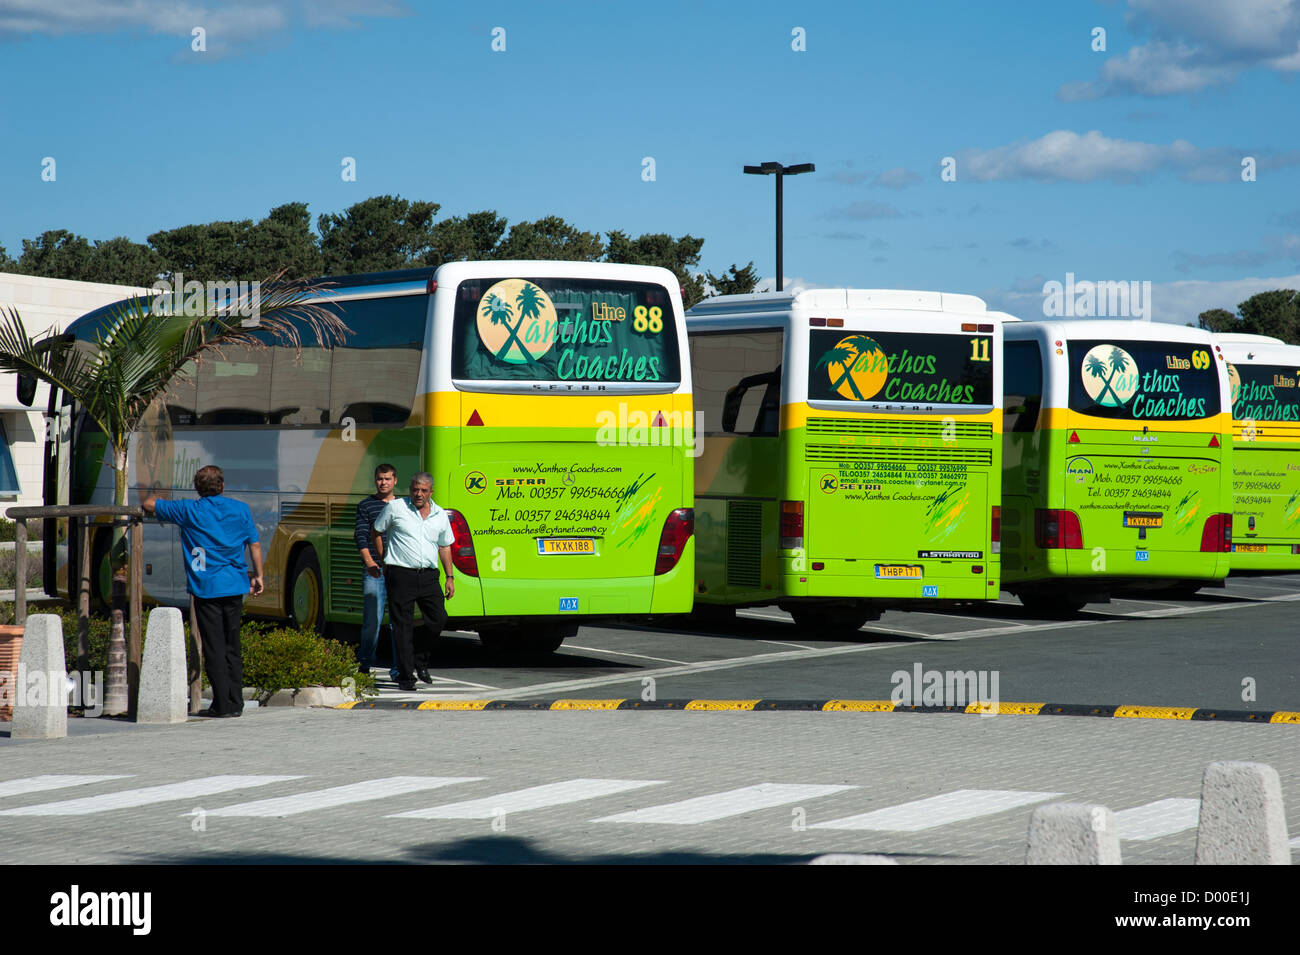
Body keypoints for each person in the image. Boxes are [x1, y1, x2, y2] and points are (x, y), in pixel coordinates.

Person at [142, 465, 262, 718]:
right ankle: (236, 701)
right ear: (222, 486)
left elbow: (150, 503)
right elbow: (254, 545)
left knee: (214, 647)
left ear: (197, 488)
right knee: (232, 645)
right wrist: (258, 574)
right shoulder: (240, 509)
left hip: (206, 588)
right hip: (234, 585)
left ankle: (222, 705)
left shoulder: (189, 509)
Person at [371, 471, 454, 692]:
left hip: (428, 576)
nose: (418, 494)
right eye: (415, 489)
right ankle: (406, 678)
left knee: (438, 619)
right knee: (402, 627)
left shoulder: (440, 515)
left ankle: (419, 658)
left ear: (431, 492)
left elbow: (445, 546)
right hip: (401, 574)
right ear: (410, 489)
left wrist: (450, 577)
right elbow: (377, 531)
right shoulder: (396, 508)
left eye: (423, 490)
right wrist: (384, 559)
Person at [355, 463, 398, 680]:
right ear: (375, 480)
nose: (384, 483)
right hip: (375, 570)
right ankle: (365, 663)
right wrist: (370, 562)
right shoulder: (366, 505)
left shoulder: (403, 505)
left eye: (388, 479)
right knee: (373, 618)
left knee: (398, 621)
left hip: (400, 570)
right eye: (380, 479)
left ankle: (399, 668)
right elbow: (361, 536)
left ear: (395, 481)